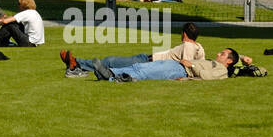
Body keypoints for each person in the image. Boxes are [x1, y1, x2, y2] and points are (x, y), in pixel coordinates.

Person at [60, 22, 205, 76]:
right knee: (111, 62)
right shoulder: (199, 48)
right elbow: (201, 64)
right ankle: (78, 63)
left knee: (111, 61)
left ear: (184, 34)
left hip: (149, 62)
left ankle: (77, 62)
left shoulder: (188, 45)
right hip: (148, 60)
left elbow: (187, 63)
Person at [75, 46, 246, 82]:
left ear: (229, 61)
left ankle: (111, 77)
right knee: (140, 67)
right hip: (178, 66)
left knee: (144, 72)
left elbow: (207, 77)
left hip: (182, 69)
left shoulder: (222, 70)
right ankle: (109, 72)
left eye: (222, 54)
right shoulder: (214, 63)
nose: (218, 53)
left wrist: (191, 66)